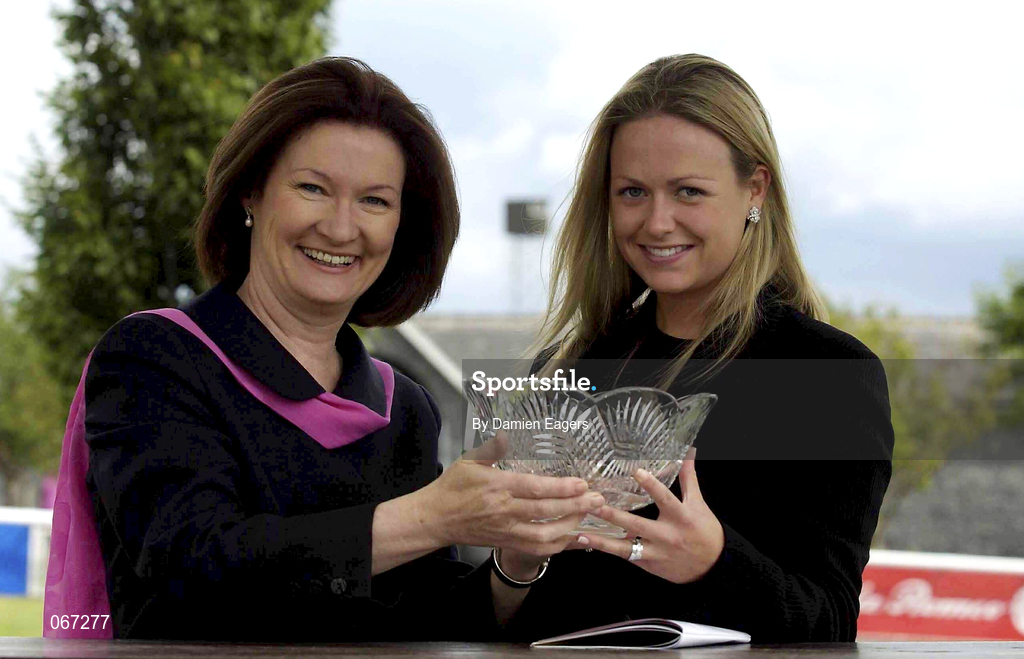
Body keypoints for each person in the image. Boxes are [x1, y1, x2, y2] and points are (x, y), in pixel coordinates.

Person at [43, 57, 605, 641]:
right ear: (251, 193)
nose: (340, 228)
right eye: (312, 188)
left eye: (375, 201)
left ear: (402, 226)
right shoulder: (155, 358)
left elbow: (433, 622)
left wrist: (517, 559)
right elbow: (192, 564)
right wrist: (429, 517)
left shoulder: (404, 409)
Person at [489, 54, 895, 643]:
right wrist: (515, 563)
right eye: (633, 192)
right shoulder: (570, 367)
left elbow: (830, 624)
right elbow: (505, 626)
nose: (657, 222)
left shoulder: (830, 374)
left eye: (688, 192)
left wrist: (715, 562)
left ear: (755, 189)